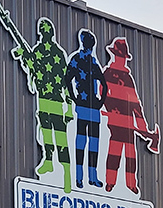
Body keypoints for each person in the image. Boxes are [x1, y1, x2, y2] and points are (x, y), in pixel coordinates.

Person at [13, 18, 75, 193]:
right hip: (43, 100)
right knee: (46, 133)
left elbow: (66, 81)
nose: (43, 36)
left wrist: (69, 107)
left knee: (60, 139)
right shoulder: (38, 51)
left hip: (56, 101)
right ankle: (48, 160)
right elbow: (32, 71)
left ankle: (67, 175)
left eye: (45, 33)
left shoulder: (58, 54)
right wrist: (24, 55)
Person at [102, 37, 160, 194]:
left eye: (122, 57)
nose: (121, 60)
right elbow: (101, 95)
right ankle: (110, 182)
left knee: (130, 155)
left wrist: (143, 127)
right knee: (114, 152)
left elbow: (135, 104)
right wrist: (110, 110)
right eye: (119, 56)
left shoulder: (128, 78)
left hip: (128, 123)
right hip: (115, 121)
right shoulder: (107, 74)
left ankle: (131, 184)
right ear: (114, 55)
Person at [64, 30, 107, 188]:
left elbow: (104, 84)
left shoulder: (92, 61)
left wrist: (100, 101)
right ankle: (81, 177)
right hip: (85, 106)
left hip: (90, 107)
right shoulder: (79, 59)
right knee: (83, 142)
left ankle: (90, 177)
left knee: (90, 143)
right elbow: (67, 79)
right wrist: (75, 97)